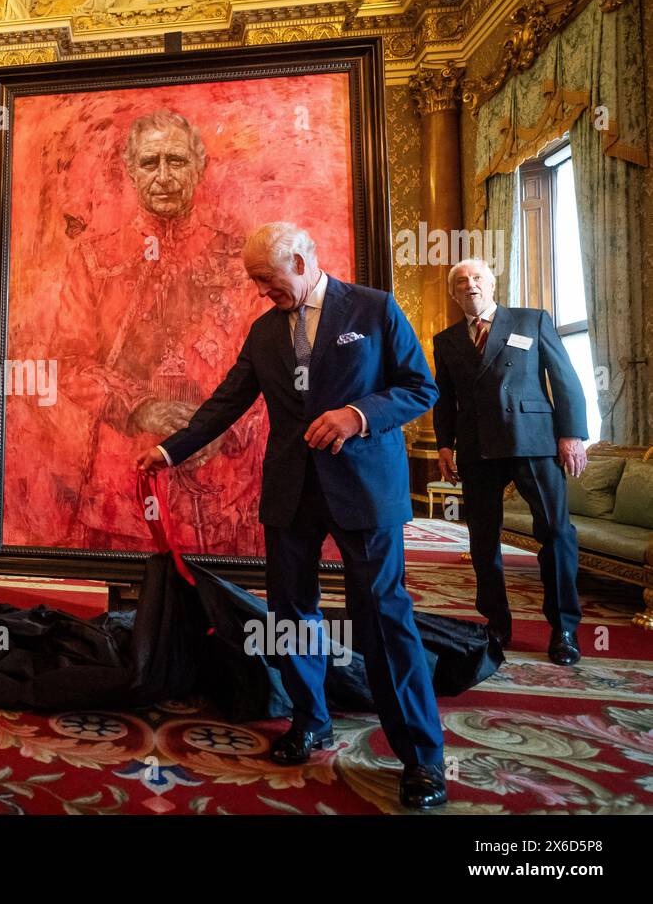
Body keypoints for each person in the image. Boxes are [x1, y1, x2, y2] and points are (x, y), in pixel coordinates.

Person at [136, 222, 448, 809]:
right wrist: (171, 448)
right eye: (255, 281)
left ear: (304, 262)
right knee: (290, 612)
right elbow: (227, 401)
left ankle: (421, 757)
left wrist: (357, 414)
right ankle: (310, 721)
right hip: (290, 490)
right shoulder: (263, 333)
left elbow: (418, 388)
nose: (261, 292)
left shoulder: (374, 308)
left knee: (383, 616)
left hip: (364, 488)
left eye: (269, 280)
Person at [47, 109, 262, 555]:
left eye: (176, 161)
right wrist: (139, 409)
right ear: (130, 170)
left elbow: (271, 363)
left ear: (198, 166)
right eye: (150, 162)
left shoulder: (239, 254)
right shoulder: (94, 257)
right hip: (122, 475)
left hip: (221, 481)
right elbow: (67, 363)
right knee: (129, 598)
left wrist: (225, 428)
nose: (163, 176)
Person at [433, 258, 588, 665]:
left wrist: (571, 434)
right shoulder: (446, 339)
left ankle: (565, 628)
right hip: (476, 447)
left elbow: (564, 378)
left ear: (491, 283)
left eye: (478, 278)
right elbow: (444, 399)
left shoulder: (531, 320)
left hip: (533, 441)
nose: (470, 285)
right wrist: (443, 445)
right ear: (454, 293)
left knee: (555, 534)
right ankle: (496, 624)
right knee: (483, 542)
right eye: (461, 281)